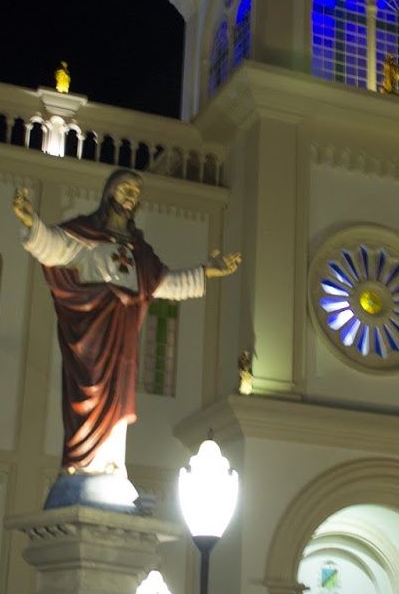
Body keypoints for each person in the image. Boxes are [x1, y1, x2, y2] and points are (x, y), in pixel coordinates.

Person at [14, 170, 240, 501]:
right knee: (87, 397)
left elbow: (166, 284)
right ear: (109, 193)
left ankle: (110, 464)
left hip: (121, 345)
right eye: (125, 188)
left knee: (117, 404)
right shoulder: (86, 236)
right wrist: (31, 223)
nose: (131, 195)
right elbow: (54, 247)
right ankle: (81, 462)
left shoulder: (140, 253)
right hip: (91, 340)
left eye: (136, 191)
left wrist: (206, 271)